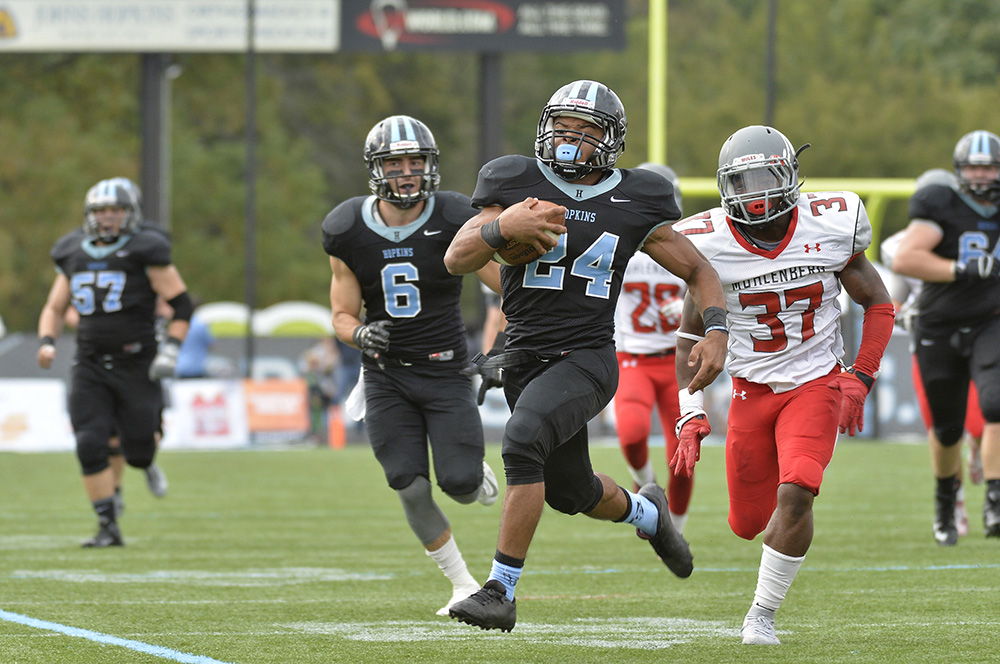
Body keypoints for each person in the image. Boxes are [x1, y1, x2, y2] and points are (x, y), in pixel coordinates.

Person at [442, 80, 728, 633]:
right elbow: (457, 258)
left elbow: (699, 271)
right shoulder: (513, 181)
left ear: (611, 139)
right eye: (562, 126)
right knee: (572, 493)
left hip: (587, 357)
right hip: (526, 357)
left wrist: (714, 329)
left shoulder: (638, 196)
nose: (570, 138)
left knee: (522, 439)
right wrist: (504, 226)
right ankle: (650, 514)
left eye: (586, 129)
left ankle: (500, 590)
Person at [672, 125, 895, 645]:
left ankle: (761, 615)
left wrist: (859, 376)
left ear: (790, 176)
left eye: (764, 177)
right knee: (747, 523)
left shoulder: (833, 224)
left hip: (817, 381)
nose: (754, 193)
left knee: (797, 492)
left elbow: (878, 304)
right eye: (741, 181)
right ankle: (765, 562)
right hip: (750, 391)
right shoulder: (706, 242)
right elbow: (687, 337)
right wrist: (690, 409)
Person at [322, 115, 502, 617]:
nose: (407, 172)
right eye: (396, 163)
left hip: (446, 370)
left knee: (461, 486)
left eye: (416, 161)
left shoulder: (453, 215)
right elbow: (340, 312)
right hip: (385, 374)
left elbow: (505, 285)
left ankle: (470, 471)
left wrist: (510, 341)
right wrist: (357, 333)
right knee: (407, 482)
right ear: (376, 170)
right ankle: (461, 583)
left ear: (431, 165)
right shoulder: (348, 228)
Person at [37, 178, 193, 547]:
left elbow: (182, 304)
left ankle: (145, 462)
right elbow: (55, 307)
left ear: (130, 213)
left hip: (136, 361)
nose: (107, 218)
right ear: (89, 216)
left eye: (114, 211)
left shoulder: (145, 248)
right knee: (89, 441)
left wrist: (171, 348)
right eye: (100, 212)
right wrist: (47, 340)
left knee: (138, 450)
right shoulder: (72, 250)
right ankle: (108, 525)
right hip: (88, 361)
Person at [891, 130, 1000, 543]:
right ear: (958, 170)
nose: (980, 174)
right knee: (948, 426)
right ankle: (944, 498)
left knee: (995, 403)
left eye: (988, 166)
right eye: (973, 166)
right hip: (941, 322)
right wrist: (962, 269)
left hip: (991, 319)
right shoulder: (941, 203)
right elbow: (906, 257)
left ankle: (995, 498)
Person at [611, 162, 694, 535]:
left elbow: (717, 290)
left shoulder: (687, 245)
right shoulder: (616, 243)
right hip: (632, 359)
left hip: (679, 362)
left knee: (684, 457)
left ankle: (674, 528)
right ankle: (647, 488)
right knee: (630, 433)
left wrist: (693, 308)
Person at [174, 299, 214, 379]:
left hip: (179, 368)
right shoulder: (201, 325)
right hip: (196, 368)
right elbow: (211, 345)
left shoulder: (178, 325)